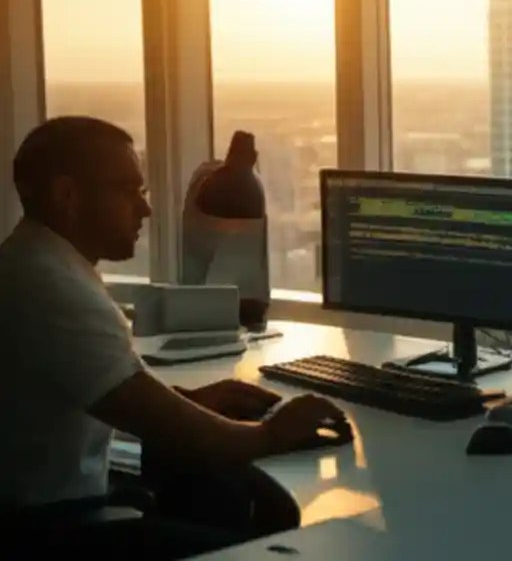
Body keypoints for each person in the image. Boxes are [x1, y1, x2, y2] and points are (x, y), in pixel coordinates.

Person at [0, 117, 346, 558]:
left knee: (224, 493)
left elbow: (108, 395)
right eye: (128, 191)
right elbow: (193, 438)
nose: (144, 209)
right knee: (276, 547)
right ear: (66, 195)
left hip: (48, 511)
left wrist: (189, 401)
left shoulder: (33, 264)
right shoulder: (50, 287)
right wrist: (276, 432)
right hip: (49, 530)